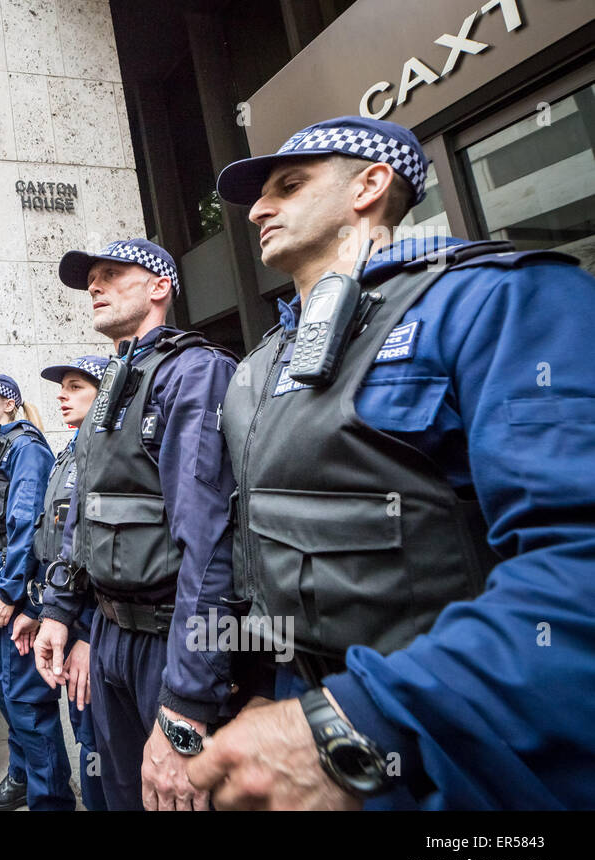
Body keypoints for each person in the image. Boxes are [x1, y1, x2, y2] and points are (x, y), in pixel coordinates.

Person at [185, 115, 595, 810]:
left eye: (289, 185)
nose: (256, 209)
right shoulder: (260, 368)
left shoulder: (497, 300)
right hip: (296, 713)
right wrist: (256, 687)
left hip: (449, 750)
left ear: (371, 186)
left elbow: (577, 566)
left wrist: (364, 720)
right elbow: (255, 548)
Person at [33, 238, 240, 811]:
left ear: (158, 286)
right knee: (125, 794)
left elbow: (209, 539)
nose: (93, 286)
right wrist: (59, 610)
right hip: (108, 635)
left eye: (109, 274)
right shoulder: (113, 387)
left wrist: (187, 696)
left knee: (175, 796)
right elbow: (83, 509)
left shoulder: (195, 372)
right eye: (89, 278)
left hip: (169, 640)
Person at [0, 372, 72, 811]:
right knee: (2, 685)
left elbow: (27, 526)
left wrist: (11, 593)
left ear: (10, 403)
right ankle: (21, 777)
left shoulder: (26, 446)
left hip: (13, 581)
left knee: (27, 700)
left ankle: (51, 799)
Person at [33, 355, 109, 811]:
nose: (61, 394)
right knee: (88, 738)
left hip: (97, 631)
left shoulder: (111, 451)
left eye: (76, 386)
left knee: (102, 745)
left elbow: (109, 554)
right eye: (62, 387)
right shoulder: (70, 452)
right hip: (68, 619)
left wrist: (91, 633)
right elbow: (56, 543)